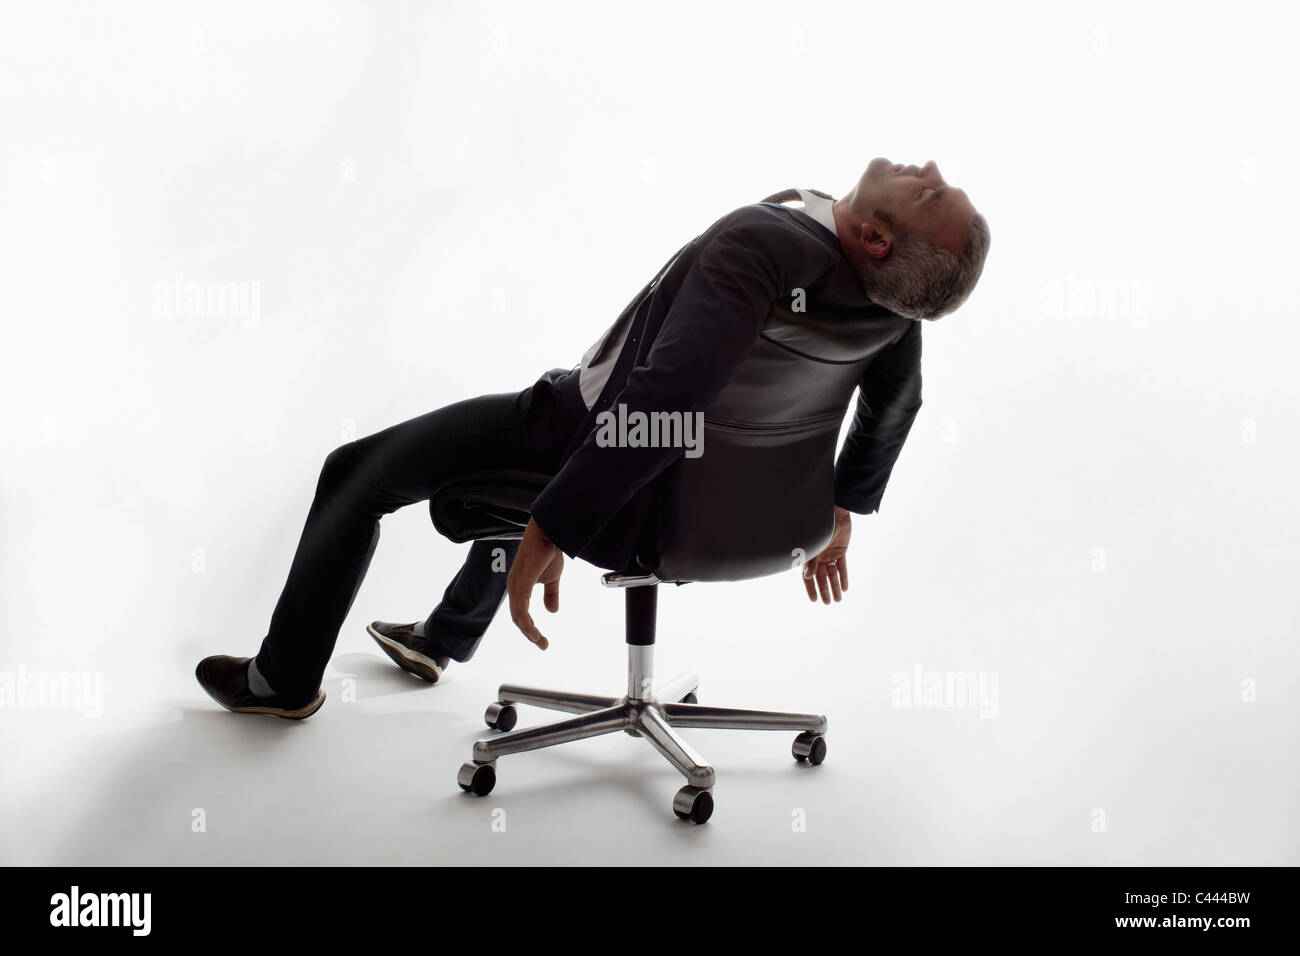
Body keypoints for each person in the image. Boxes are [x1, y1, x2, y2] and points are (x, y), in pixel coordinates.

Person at [196, 157, 990, 719]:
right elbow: (898, 403)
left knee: (353, 473)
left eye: (929, 191)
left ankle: (280, 680)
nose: (926, 167)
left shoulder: (765, 242)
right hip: (733, 508)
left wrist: (556, 526)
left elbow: (669, 400)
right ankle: (444, 637)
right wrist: (842, 509)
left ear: (877, 240)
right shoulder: (889, 307)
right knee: (525, 468)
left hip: (587, 436)